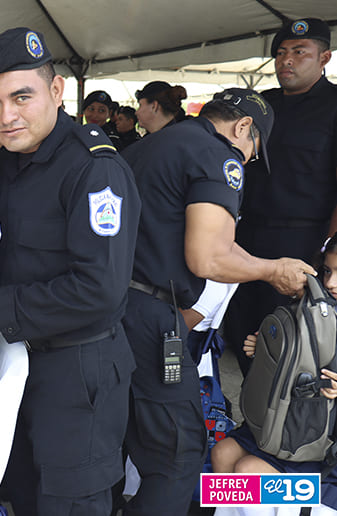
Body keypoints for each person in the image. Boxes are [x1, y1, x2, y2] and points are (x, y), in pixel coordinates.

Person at [0, 27, 140, 516]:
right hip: (13, 362)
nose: (7, 116)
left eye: (21, 97)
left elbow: (100, 289)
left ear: (57, 90)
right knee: (17, 489)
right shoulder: (6, 163)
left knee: (68, 502)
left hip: (76, 372)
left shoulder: (94, 170)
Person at [120, 88, 314, 516]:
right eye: (252, 153)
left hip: (115, 309)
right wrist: (271, 272)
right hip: (153, 317)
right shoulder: (216, 156)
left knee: (160, 443)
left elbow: (217, 244)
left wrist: (269, 266)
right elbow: (208, 256)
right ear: (243, 127)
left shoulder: (153, 146)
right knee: (182, 451)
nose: (246, 162)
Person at [225, 17, 337, 376]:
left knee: (288, 342)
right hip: (244, 236)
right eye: (281, 53)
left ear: (324, 58)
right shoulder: (262, 106)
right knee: (241, 330)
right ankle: (253, 405)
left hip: (303, 241)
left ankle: (287, 411)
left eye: (300, 52)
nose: (287, 60)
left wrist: (327, 253)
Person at [211, 234, 337, 512]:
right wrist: (265, 352)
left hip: (320, 447)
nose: (330, 283)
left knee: (247, 474)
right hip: (283, 425)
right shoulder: (310, 307)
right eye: (327, 271)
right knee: (222, 454)